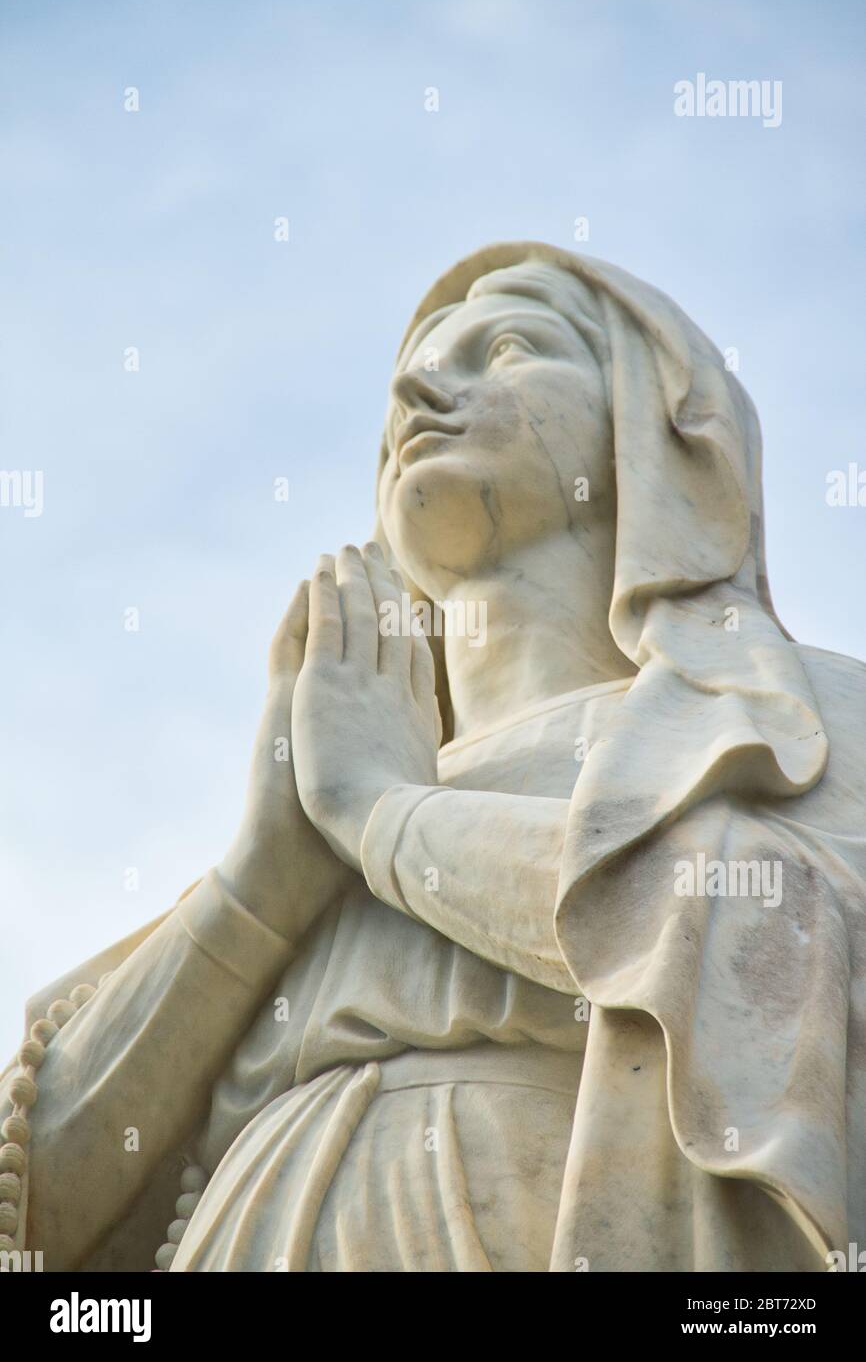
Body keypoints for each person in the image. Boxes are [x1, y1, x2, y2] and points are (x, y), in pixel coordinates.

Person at [3, 242, 864, 1272]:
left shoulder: (789, 723)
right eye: (412, 374)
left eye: (506, 347)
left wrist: (384, 815)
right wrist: (266, 875)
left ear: (656, 432)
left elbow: (778, 964)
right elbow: (43, 1218)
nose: (417, 388)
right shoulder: (311, 821)